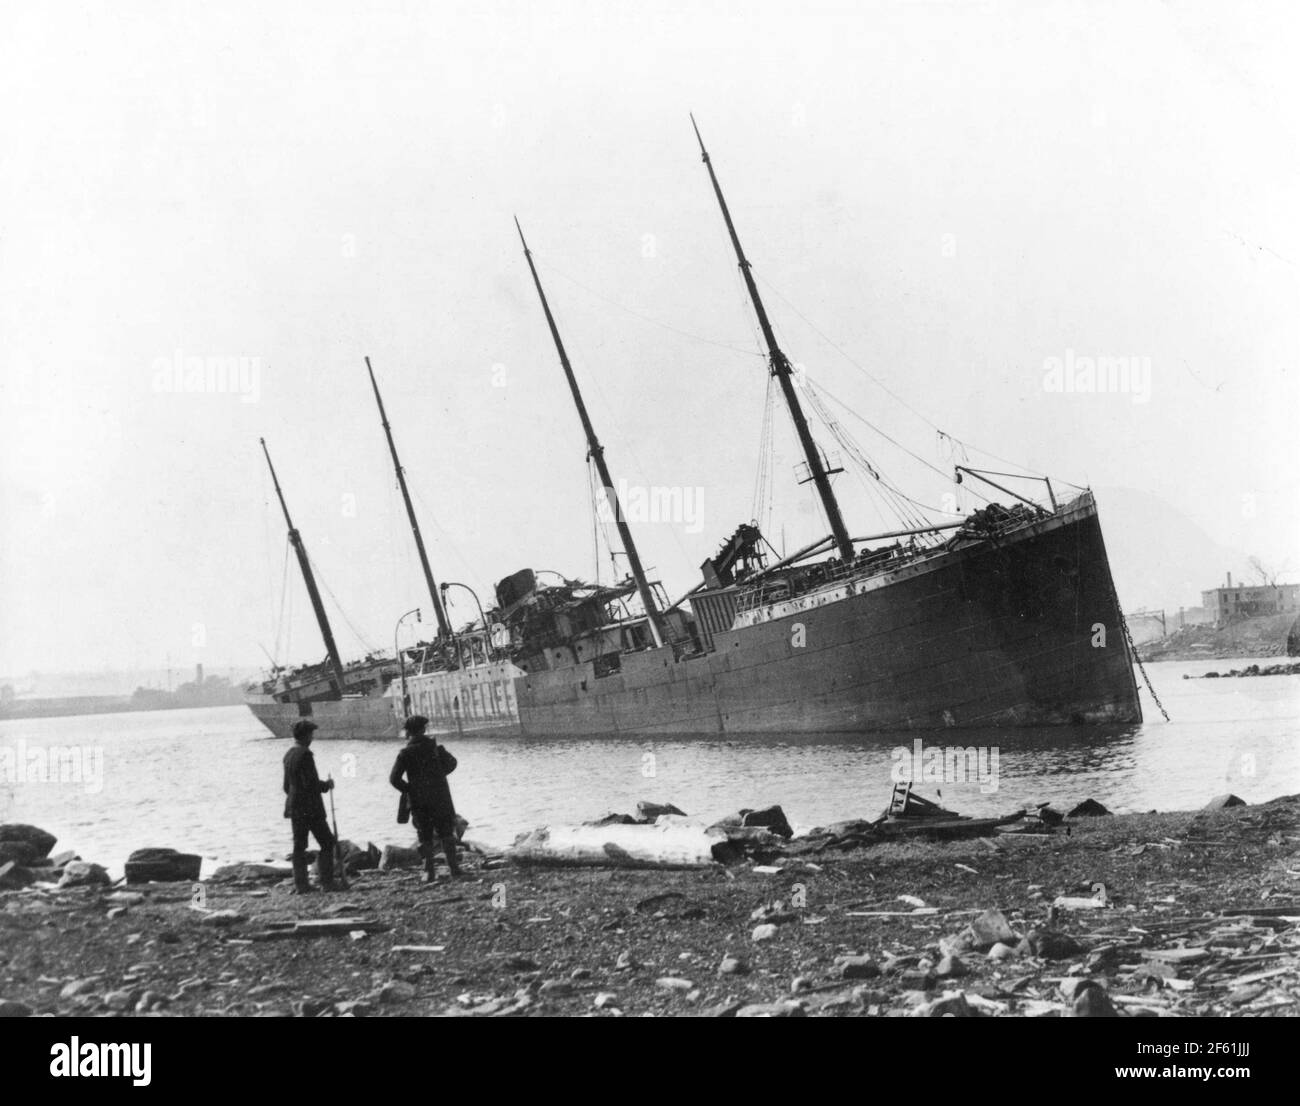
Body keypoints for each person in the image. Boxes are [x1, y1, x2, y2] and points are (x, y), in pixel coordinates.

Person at [389, 715, 461, 884]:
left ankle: (429, 871)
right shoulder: (435, 748)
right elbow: (452, 763)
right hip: (440, 797)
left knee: (425, 836)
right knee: (446, 833)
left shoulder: (405, 753)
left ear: (409, 733)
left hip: (419, 800)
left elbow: (394, 779)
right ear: (423, 730)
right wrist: (438, 776)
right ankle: (454, 868)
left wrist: (410, 789)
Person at [283, 719, 337, 893]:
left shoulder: (289, 754)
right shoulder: (305, 754)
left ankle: (301, 885)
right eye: (311, 734)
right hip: (310, 809)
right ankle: (327, 882)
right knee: (327, 842)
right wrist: (326, 785)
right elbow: (311, 784)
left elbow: (286, 786)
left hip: (294, 808)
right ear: (306, 735)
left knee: (299, 846)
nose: (312, 737)